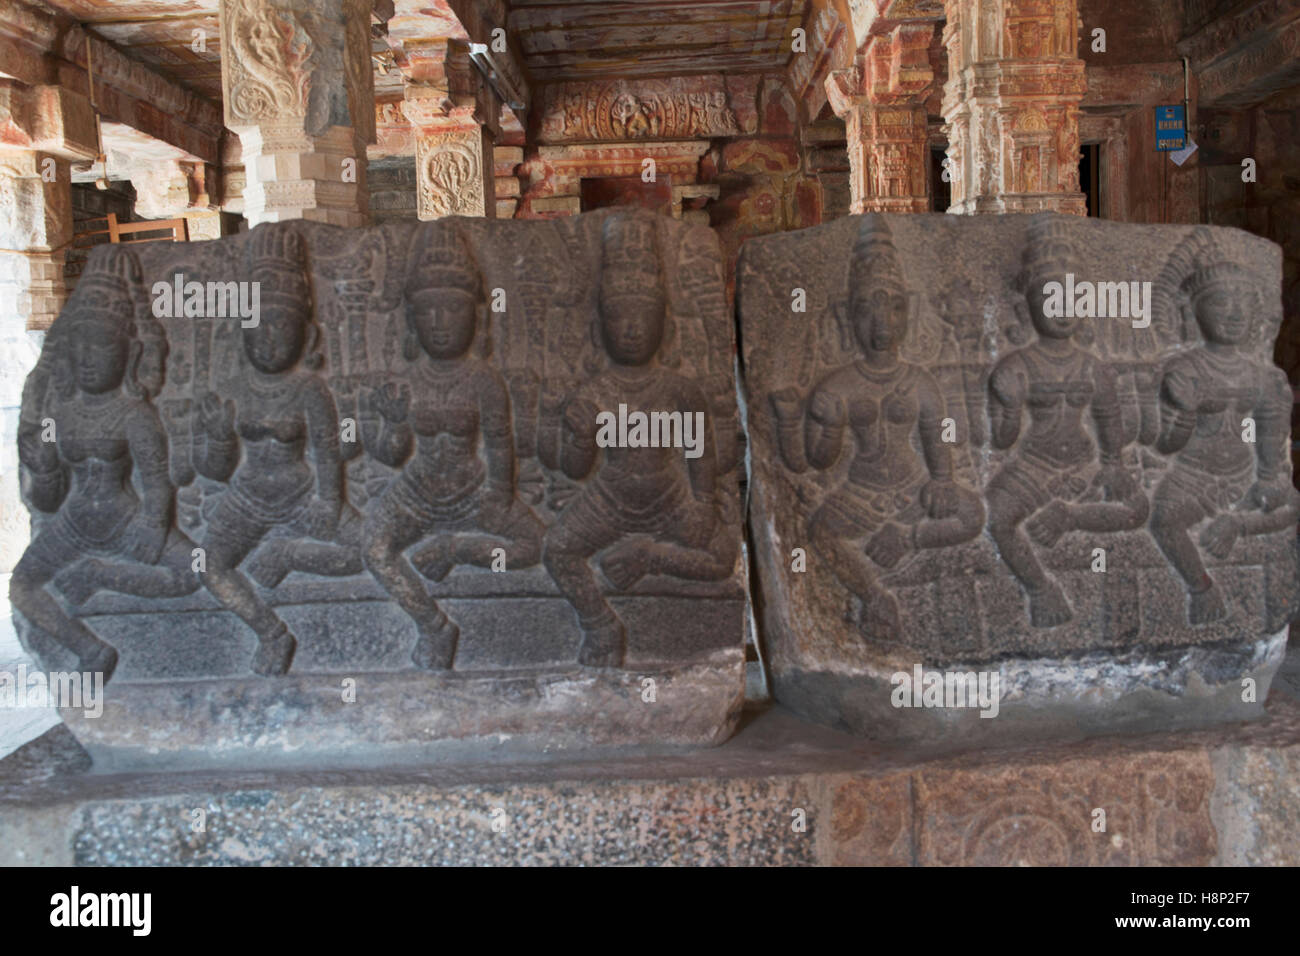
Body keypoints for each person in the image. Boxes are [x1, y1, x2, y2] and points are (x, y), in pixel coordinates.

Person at [362, 224, 542, 671]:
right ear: (411, 319)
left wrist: (500, 494)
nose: (441, 324)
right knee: (373, 549)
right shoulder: (409, 380)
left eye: (454, 311)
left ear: (476, 318)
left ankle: (455, 548)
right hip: (417, 492)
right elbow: (391, 452)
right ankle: (433, 624)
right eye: (429, 313)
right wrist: (393, 422)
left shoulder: (482, 379)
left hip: (472, 492)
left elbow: (501, 443)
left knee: (535, 545)